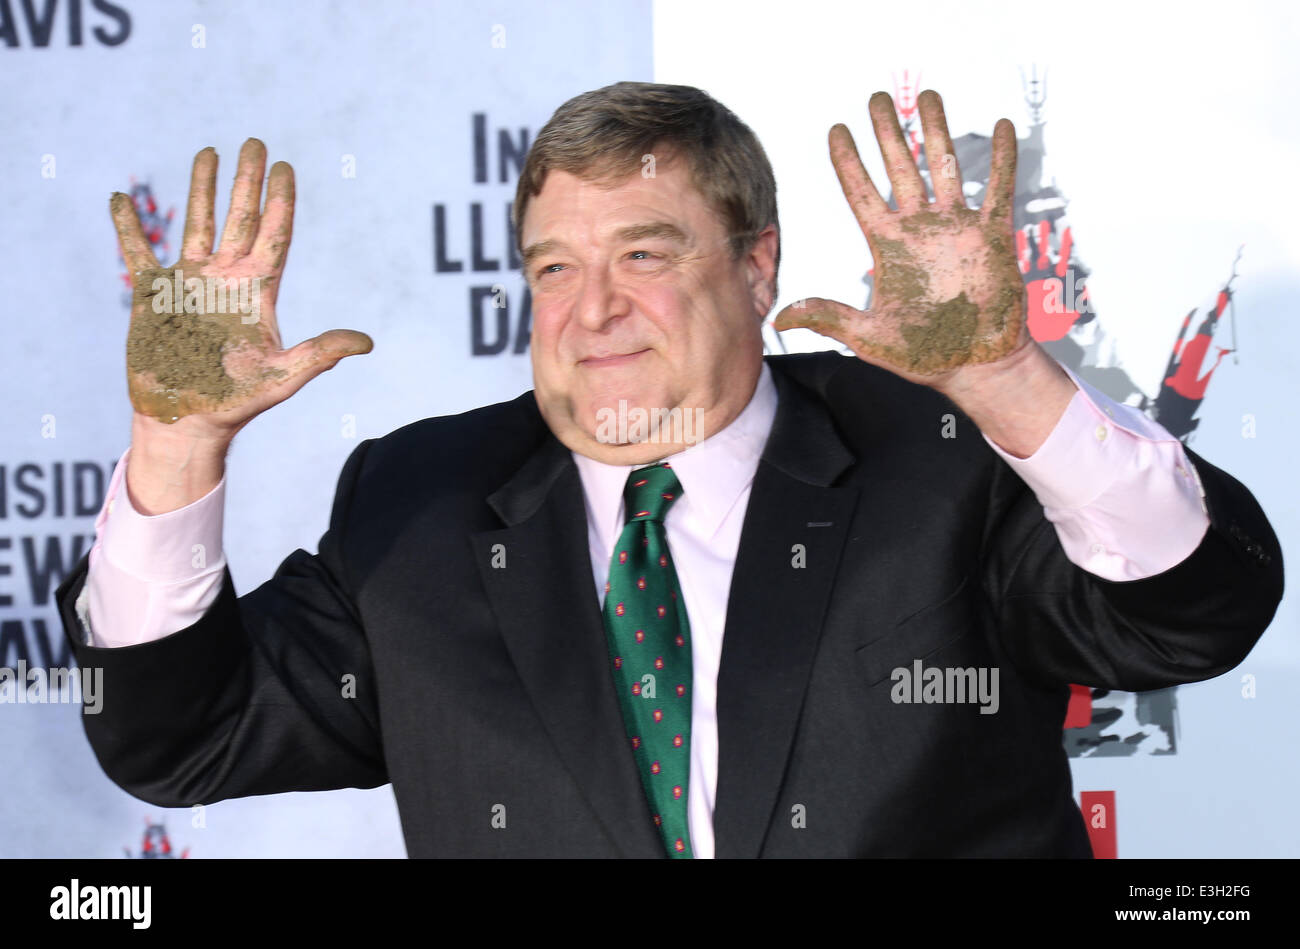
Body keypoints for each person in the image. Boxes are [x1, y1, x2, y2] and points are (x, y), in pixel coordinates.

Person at [55, 81, 1282, 858]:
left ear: (757, 270)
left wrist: (1010, 379)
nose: (593, 310)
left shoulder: (935, 452)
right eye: (551, 268)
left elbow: (1190, 615)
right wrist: (178, 444)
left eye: (644, 253)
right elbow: (183, 738)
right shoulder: (418, 503)